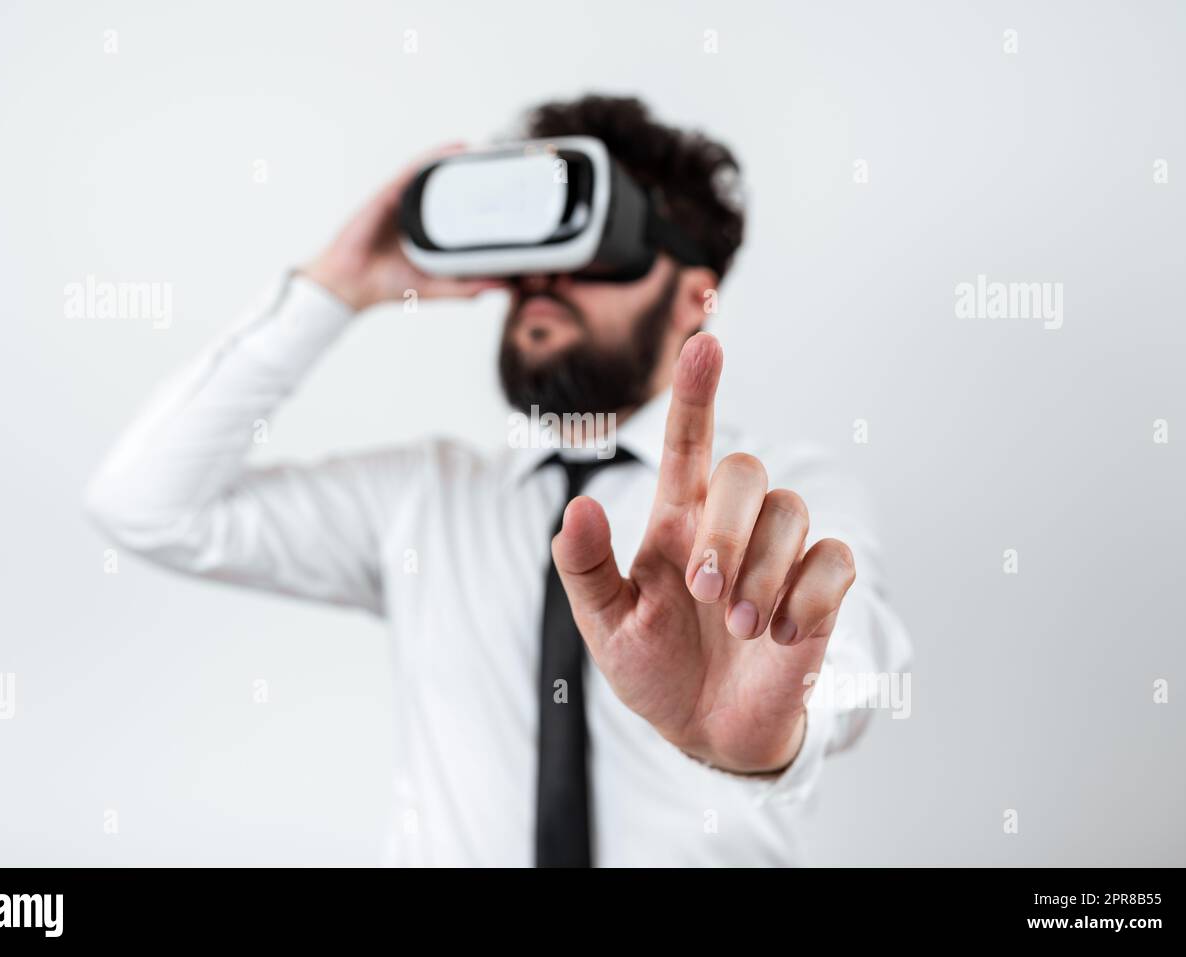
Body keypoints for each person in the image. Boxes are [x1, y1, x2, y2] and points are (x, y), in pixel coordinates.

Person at [85, 94, 911, 867]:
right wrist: (335, 287)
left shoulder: (777, 494)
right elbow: (144, 504)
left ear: (696, 295)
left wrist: (771, 737)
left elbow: (855, 661)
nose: (545, 278)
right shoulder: (426, 498)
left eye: (593, 248)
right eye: (535, 248)